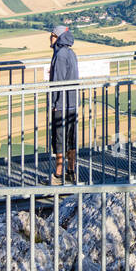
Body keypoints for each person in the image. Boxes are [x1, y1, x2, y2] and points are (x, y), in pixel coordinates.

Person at [48, 24, 80, 184]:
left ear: (58, 37)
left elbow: (57, 82)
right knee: (71, 138)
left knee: (59, 139)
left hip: (62, 104)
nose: (50, 37)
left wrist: (54, 103)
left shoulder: (60, 55)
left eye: (52, 35)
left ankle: (58, 175)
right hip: (72, 103)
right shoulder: (71, 53)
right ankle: (71, 171)